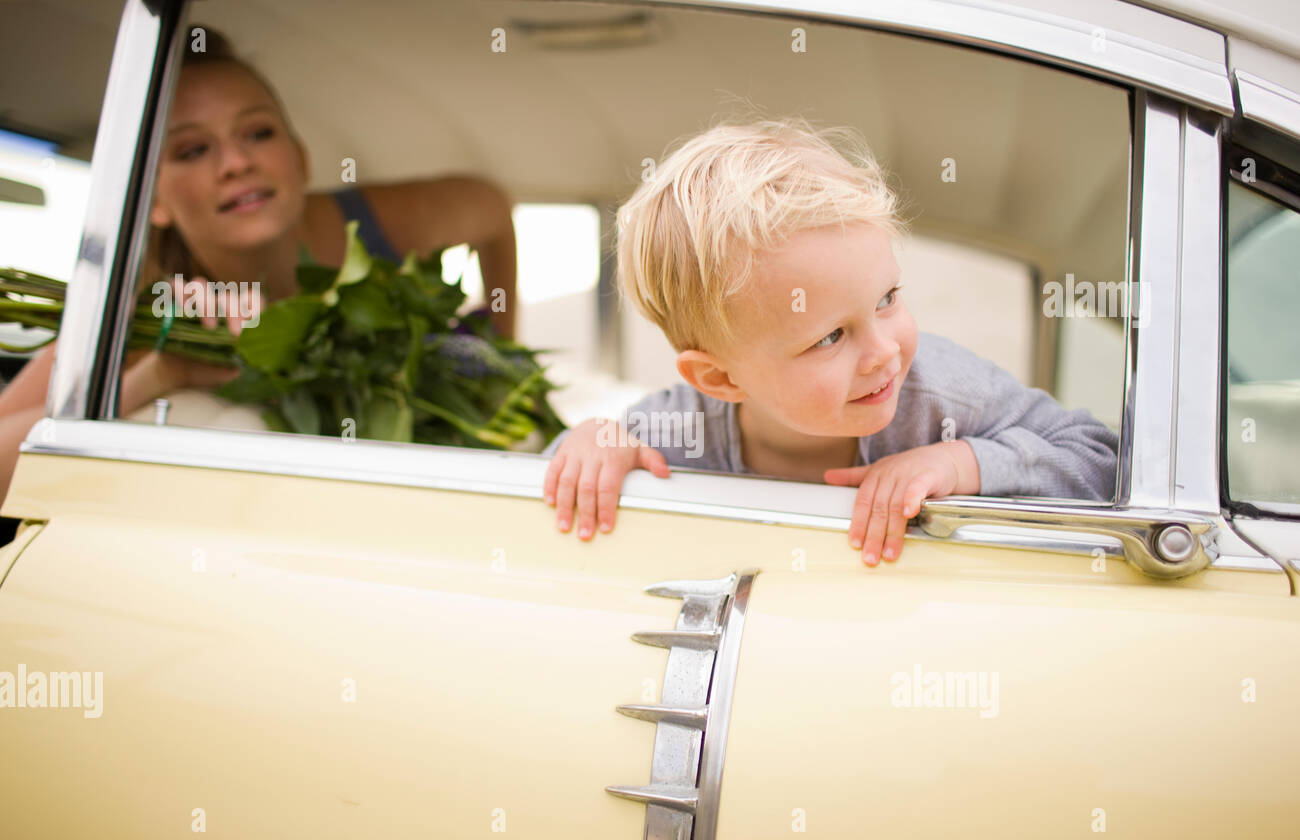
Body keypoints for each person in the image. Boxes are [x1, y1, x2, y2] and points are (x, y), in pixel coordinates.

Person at [541, 117, 1119, 566]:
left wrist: (960, 462)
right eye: (831, 336)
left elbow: (1101, 460)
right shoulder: (684, 425)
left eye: (887, 298)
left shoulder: (942, 398)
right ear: (720, 379)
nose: (885, 352)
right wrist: (596, 439)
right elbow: (554, 482)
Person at [0, 27, 518, 502]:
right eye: (193, 150)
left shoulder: (374, 223)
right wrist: (156, 375)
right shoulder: (140, 303)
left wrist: (495, 354)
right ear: (152, 201)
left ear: (301, 158)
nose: (236, 163)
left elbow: (492, 207)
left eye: (258, 134)